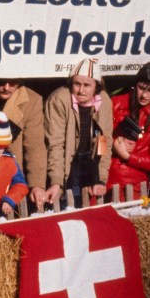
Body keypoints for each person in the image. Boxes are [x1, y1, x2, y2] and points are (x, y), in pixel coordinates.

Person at [44, 60, 112, 205]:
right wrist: (56, 181)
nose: (81, 90)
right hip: (69, 161)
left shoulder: (104, 100)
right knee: (68, 204)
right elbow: (55, 144)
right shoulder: (58, 100)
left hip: (90, 160)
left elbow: (104, 141)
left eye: (87, 85)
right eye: (77, 84)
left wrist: (100, 178)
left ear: (96, 86)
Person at [0, 78, 47, 209]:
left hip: (8, 181)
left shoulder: (32, 100)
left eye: (13, 82)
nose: (6, 87)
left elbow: (35, 146)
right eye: (1, 82)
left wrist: (37, 185)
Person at [106, 63, 150, 195]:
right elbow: (97, 137)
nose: (144, 95)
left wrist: (128, 156)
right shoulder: (115, 103)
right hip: (104, 178)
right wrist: (112, 144)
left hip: (133, 185)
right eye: (141, 88)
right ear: (135, 85)